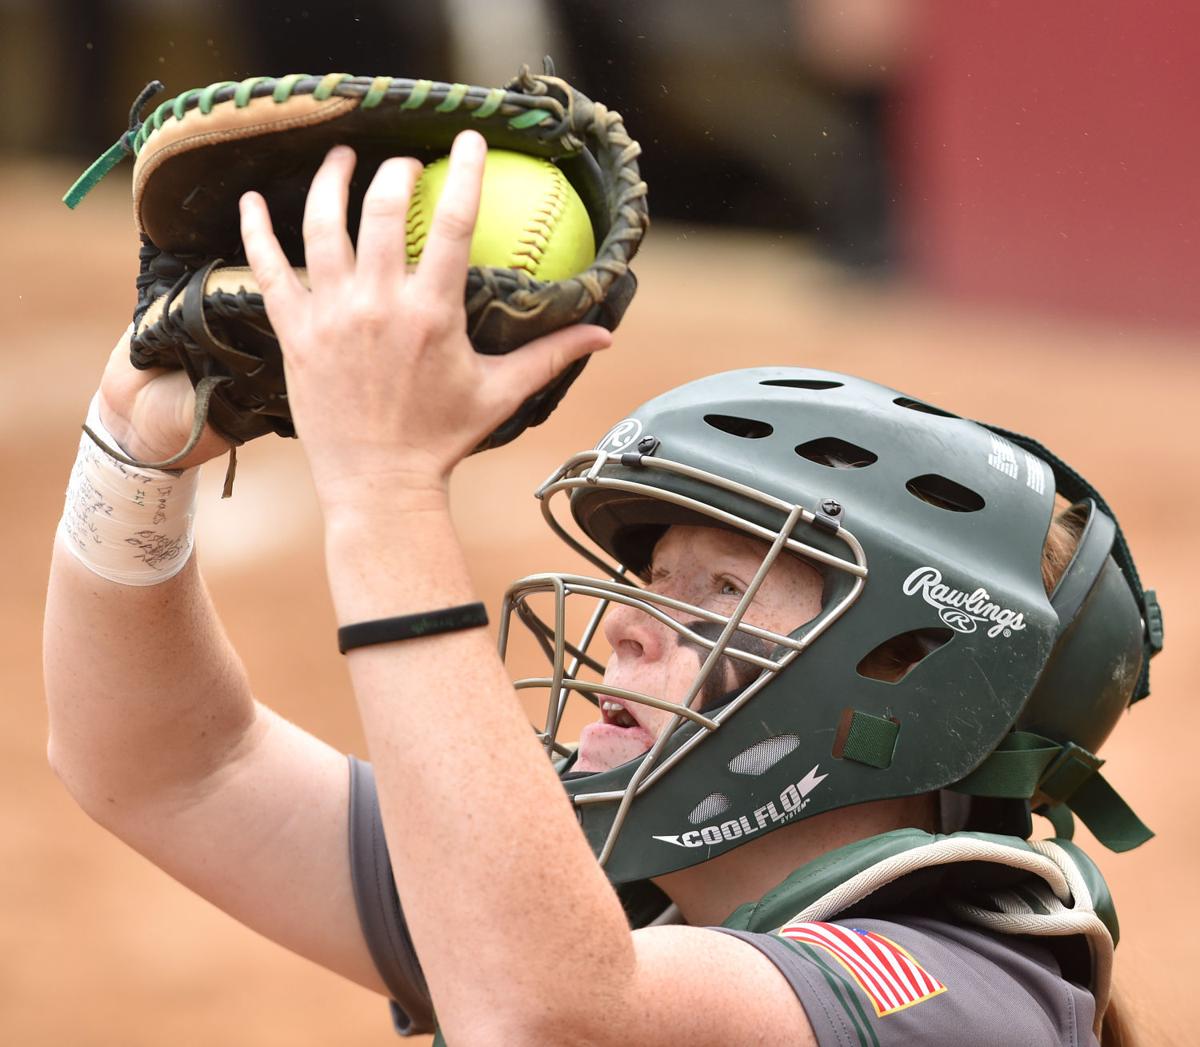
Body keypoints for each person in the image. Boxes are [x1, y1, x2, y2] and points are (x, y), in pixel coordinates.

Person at [44, 130, 1161, 1046]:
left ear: (913, 674)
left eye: (720, 589)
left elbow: (551, 1017)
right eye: (654, 578)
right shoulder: (629, 898)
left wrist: (385, 490)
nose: (628, 625)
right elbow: (174, 769)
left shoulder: (970, 996)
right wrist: (131, 460)